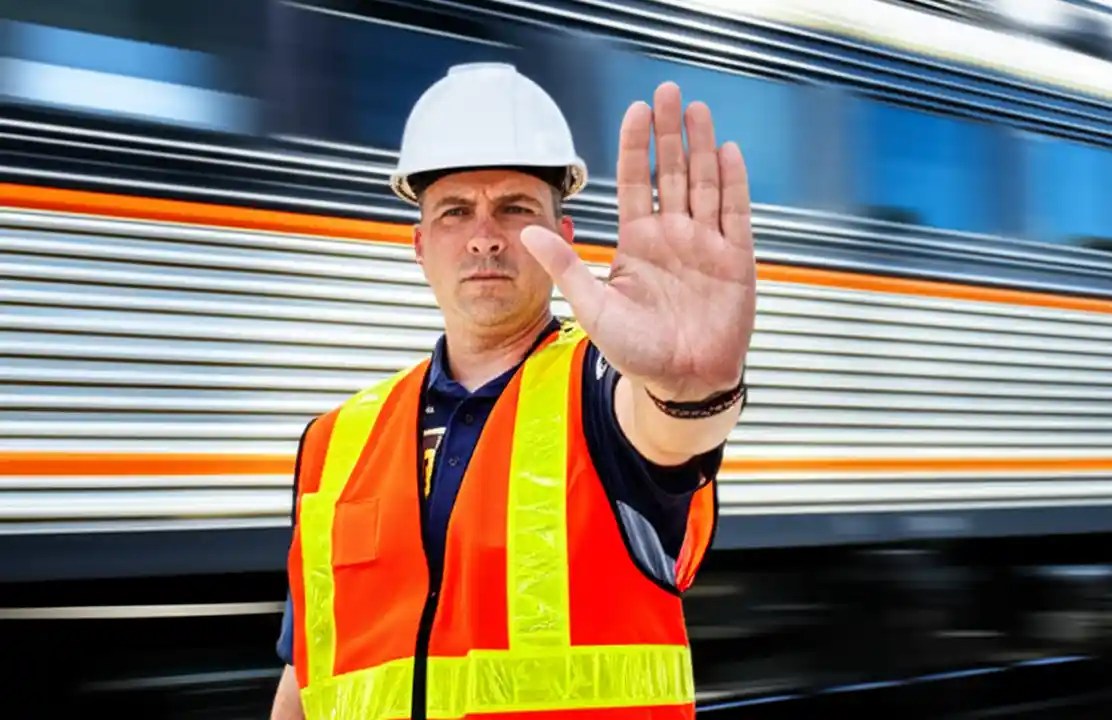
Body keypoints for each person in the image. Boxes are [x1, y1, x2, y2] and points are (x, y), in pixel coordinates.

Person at [270, 61, 756, 720]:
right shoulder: (335, 443)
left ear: (563, 237)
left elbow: (668, 434)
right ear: (419, 244)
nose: (483, 236)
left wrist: (689, 389)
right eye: (455, 211)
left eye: (514, 208)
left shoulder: (602, 394)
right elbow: (308, 675)